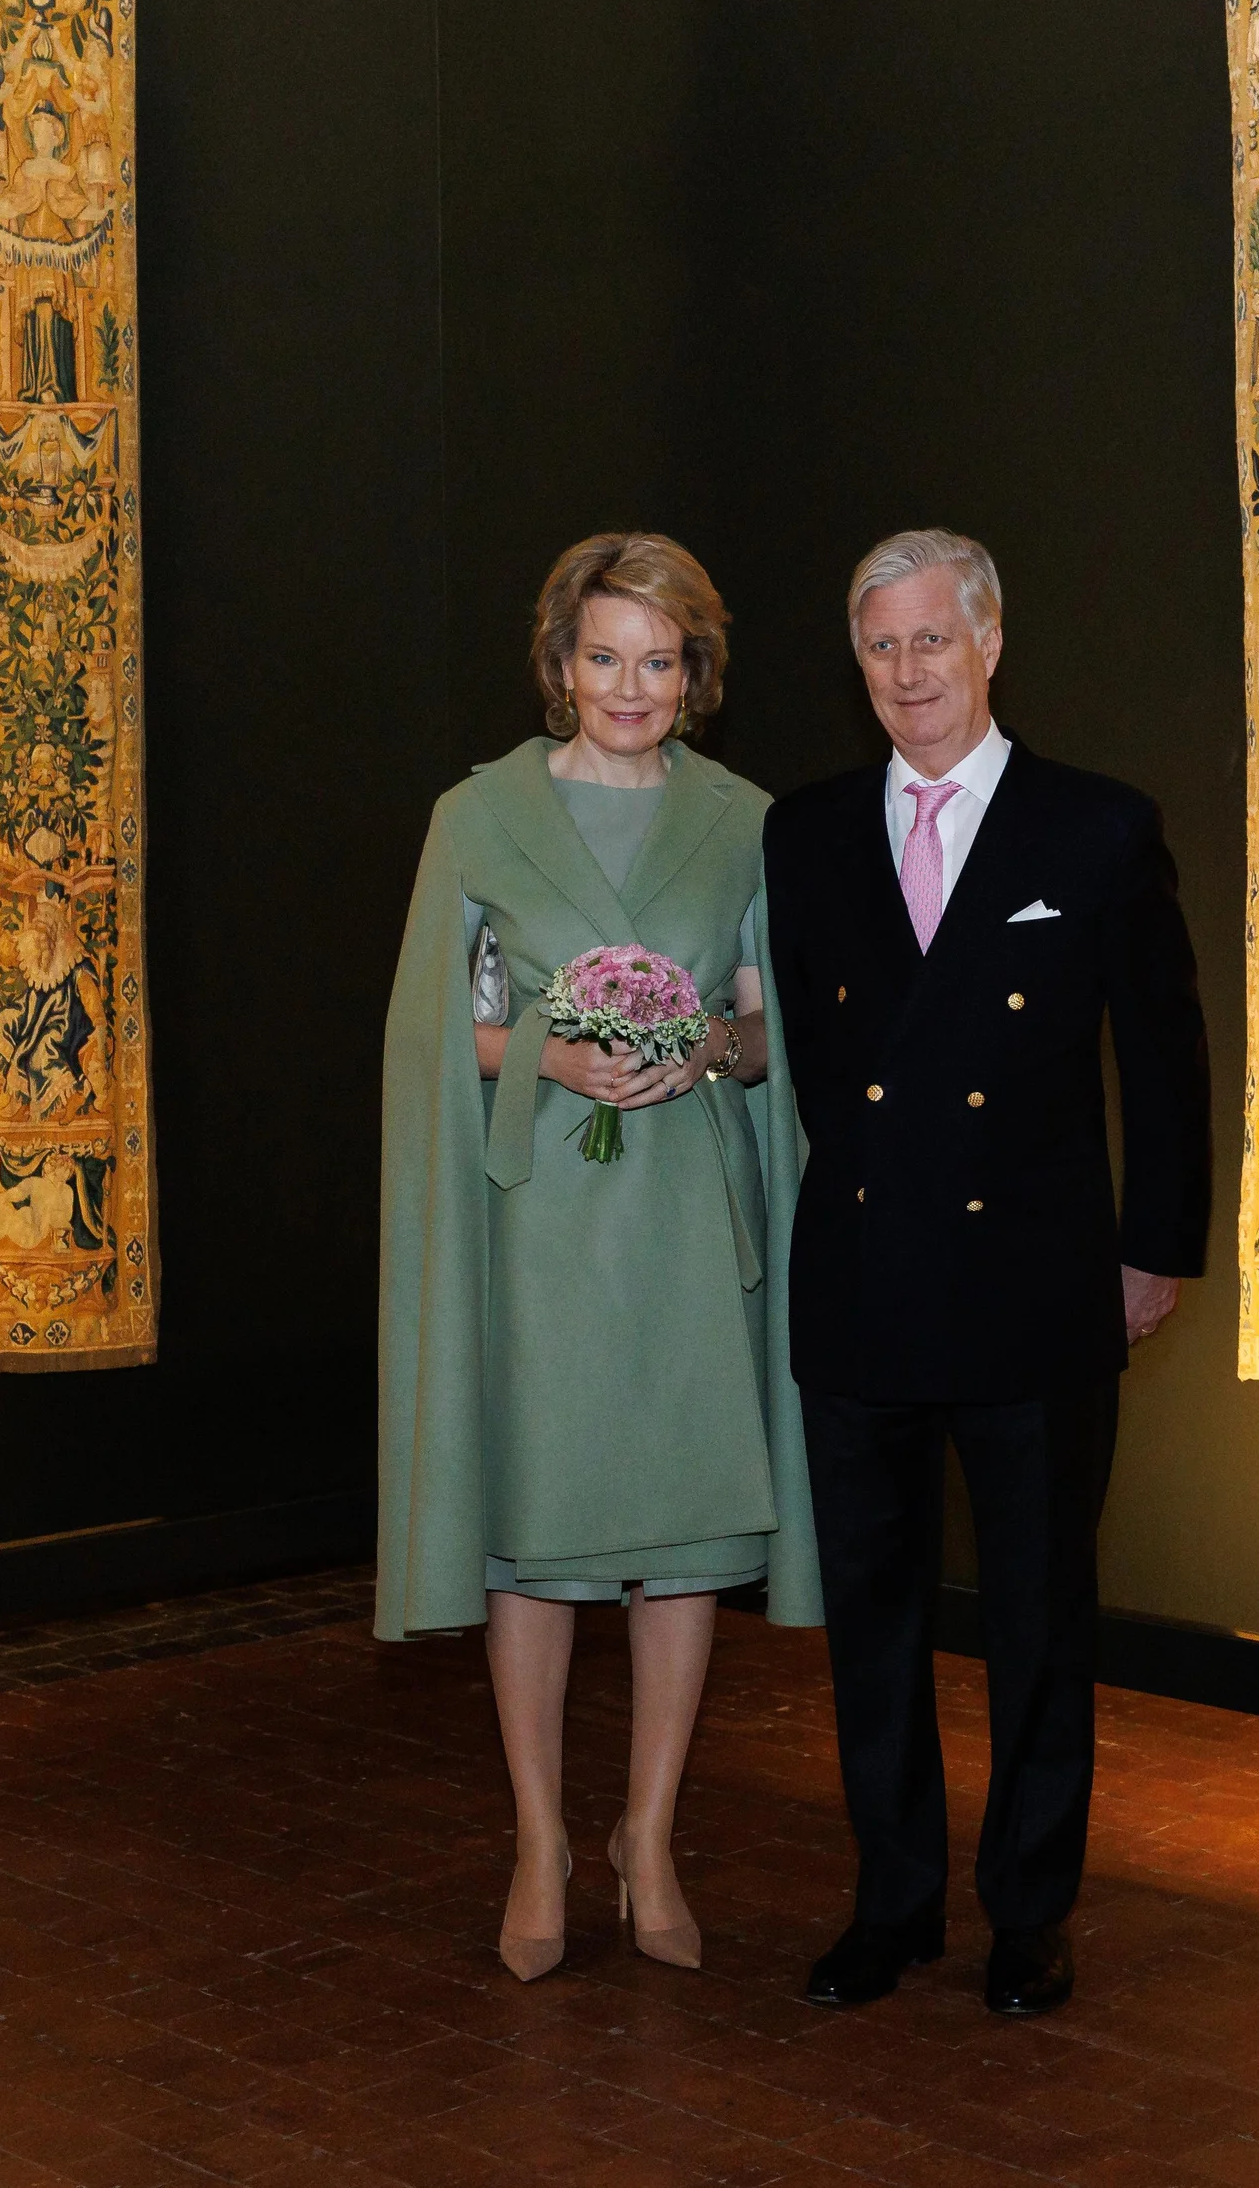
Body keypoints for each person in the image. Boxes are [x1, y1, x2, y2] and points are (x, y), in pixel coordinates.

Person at [762, 529, 1210, 2017]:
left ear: (992, 643)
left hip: (1034, 1288)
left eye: (932, 641)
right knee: (874, 1622)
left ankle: (1030, 1906)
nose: (907, 673)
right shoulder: (810, 829)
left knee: (1037, 1616)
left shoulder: (1094, 826)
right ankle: (893, 1902)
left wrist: (1154, 1247)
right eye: (880, 647)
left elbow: (1162, 1056)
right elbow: (828, 1067)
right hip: (867, 1284)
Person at [377, 532, 819, 1986]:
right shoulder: (478, 817)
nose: (633, 685)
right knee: (540, 1545)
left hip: (689, 1216)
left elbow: (772, 1034)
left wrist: (711, 1041)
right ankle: (535, 1841)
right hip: (543, 1219)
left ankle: (649, 1835)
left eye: (663, 659)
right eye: (607, 656)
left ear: (697, 674)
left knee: (684, 1540)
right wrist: (554, 1050)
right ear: (560, 661)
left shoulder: (748, 820)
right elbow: (443, 1034)